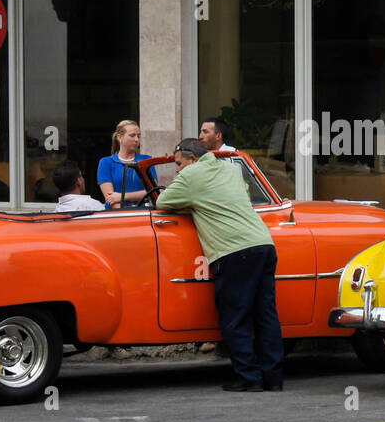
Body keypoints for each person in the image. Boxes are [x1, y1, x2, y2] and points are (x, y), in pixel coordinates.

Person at [156, 138, 283, 391]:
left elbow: (162, 203)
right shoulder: (230, 168)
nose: (178, 170)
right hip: (263, 245)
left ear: (192, 158)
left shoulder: (191, 175)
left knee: (235, 318)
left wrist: (191, 203)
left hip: (233, 250)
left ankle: (249, 378)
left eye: (179, 164)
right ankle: (273, 378)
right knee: (266, 316)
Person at [98, 119, 152, 208]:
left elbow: (151, 192)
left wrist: (122, 196)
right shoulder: (106, 162)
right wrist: (126, 216)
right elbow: (110, 198)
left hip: (144, 214)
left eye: (139, 136)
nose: (136, 139)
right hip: (118, 216)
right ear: (119, 137)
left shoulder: (146, 159)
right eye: (132, 135)